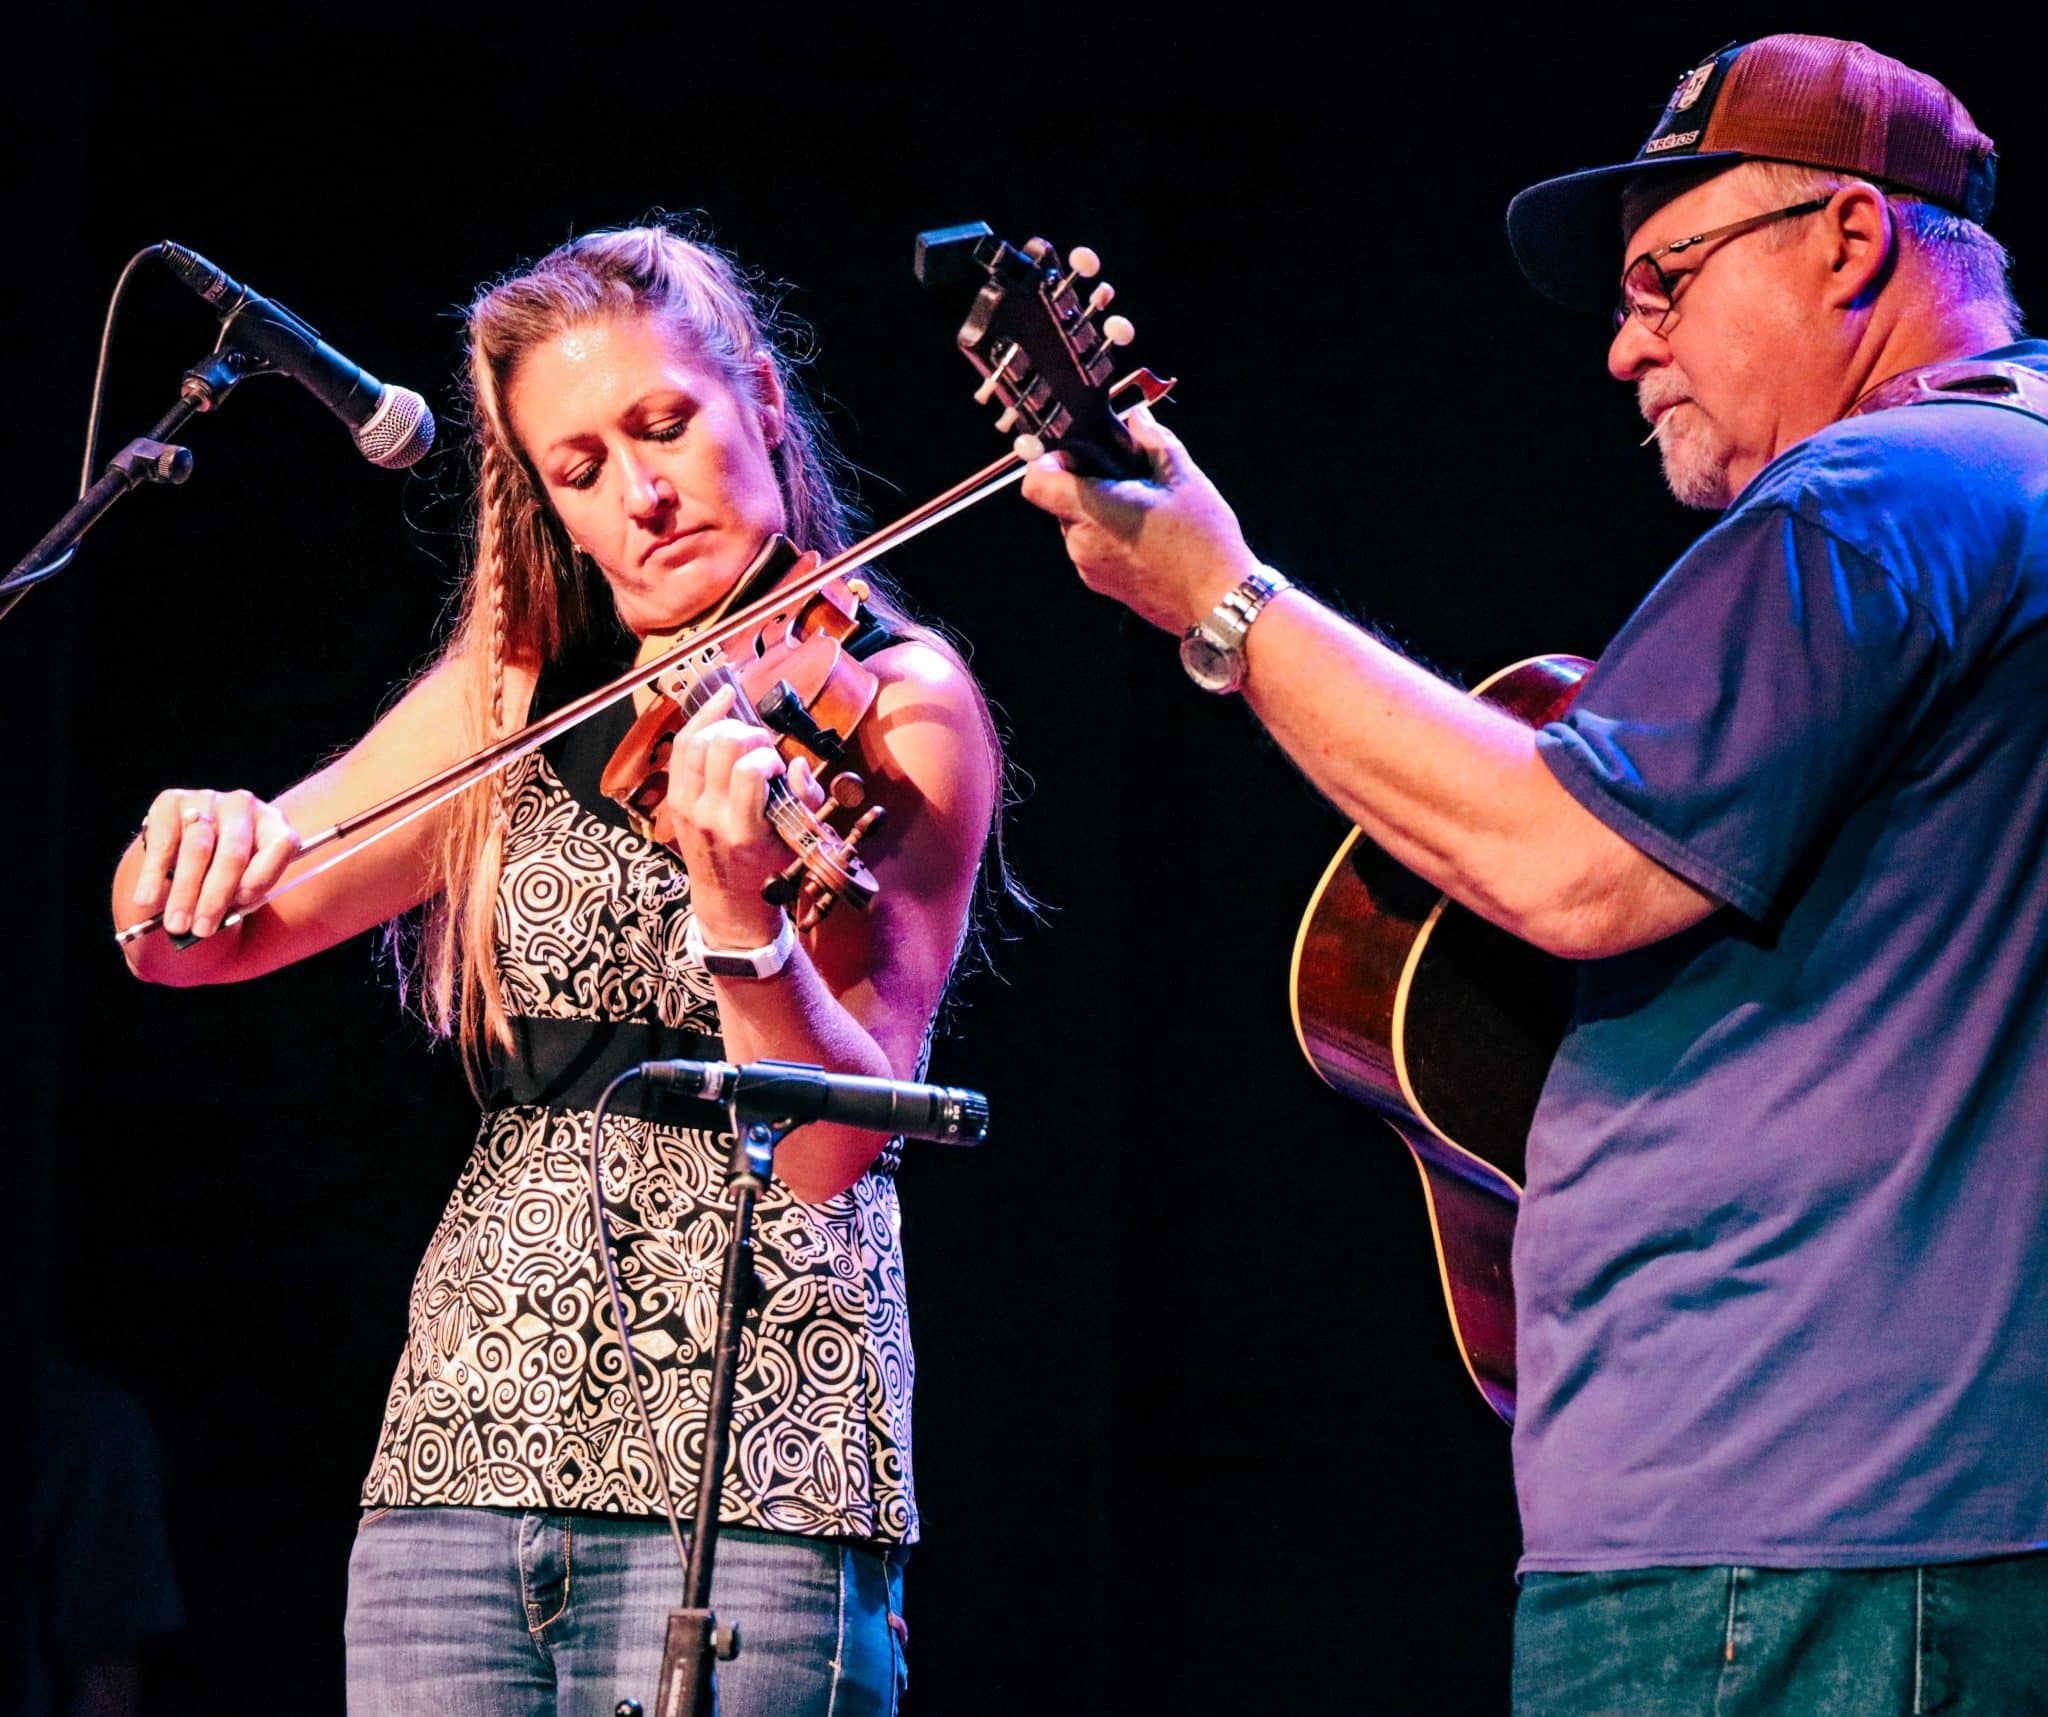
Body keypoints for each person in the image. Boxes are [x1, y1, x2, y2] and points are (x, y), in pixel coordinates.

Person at [1021, 34, 2048, 1715]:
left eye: (1666, 277)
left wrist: (1224, 606)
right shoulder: (2012, 481)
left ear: (1853, 243)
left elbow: (1568, 863)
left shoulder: (1874, 495)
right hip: (1888, 1526)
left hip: (1787, 1537)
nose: (1627, 345)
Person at [112, 222, 1001, 1716]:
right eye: (580, 468)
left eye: (666, 427)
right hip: (465, 1442)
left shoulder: (899, 708)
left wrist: (743, 911)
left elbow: (841, 1137)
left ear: (762, 405)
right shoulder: (513, 687)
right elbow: (198, 939)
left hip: (753, 1453)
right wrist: (181, 838)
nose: (640, 493)